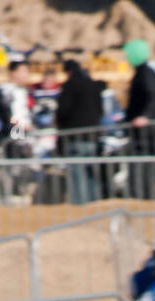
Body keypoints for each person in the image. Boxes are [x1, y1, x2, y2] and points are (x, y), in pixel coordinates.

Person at [55, 58, 103, 202]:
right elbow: (100, 111)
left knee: (77, 175)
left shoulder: (70, 86)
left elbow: (62, 111)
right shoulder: (92, 85)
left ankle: (81, 207)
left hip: (74, 137)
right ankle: (95, 203)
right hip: (92, 137)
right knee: (91, 174)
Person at [124, 37, 155, 196]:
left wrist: (145, 116)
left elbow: (154, 97)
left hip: (147, 131)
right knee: (140, 161)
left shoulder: (146, 73)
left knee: (146, 161)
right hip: (140, 130)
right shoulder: (142, 72)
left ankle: (145, 193)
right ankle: (140, 192)